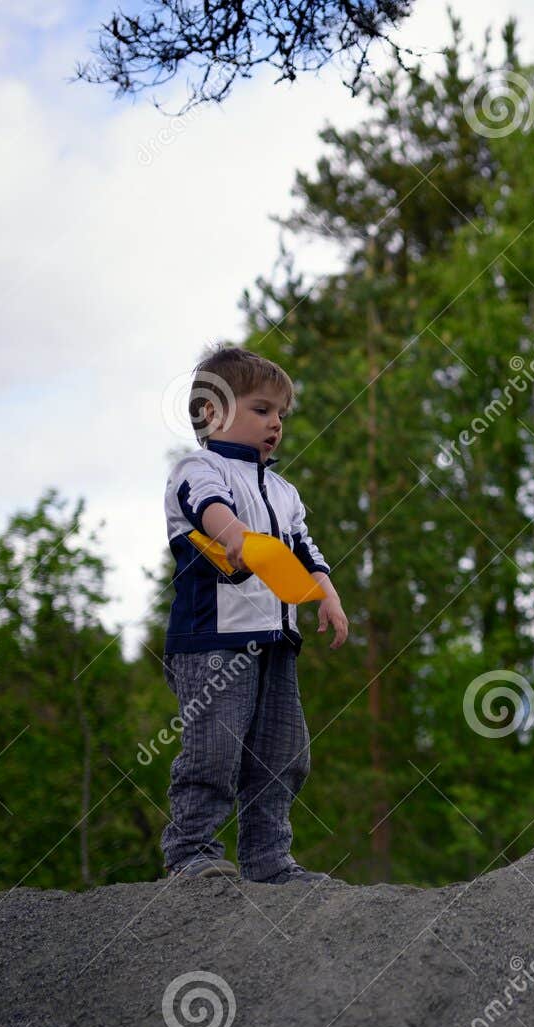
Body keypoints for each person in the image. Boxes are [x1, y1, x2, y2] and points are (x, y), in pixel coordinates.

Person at [157, 344, 349, 883]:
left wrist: (326, 593)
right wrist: (236, 534)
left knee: (283, 753)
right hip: (213, 641)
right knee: (214, 749)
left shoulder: (284, 491)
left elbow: (305, 549)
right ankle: (190, 853)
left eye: (282, 415)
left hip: (276, 641)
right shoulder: (198, 469)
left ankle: (268, 860)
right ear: (211, 412)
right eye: (262, 409)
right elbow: (207, 508)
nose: (276, 424)